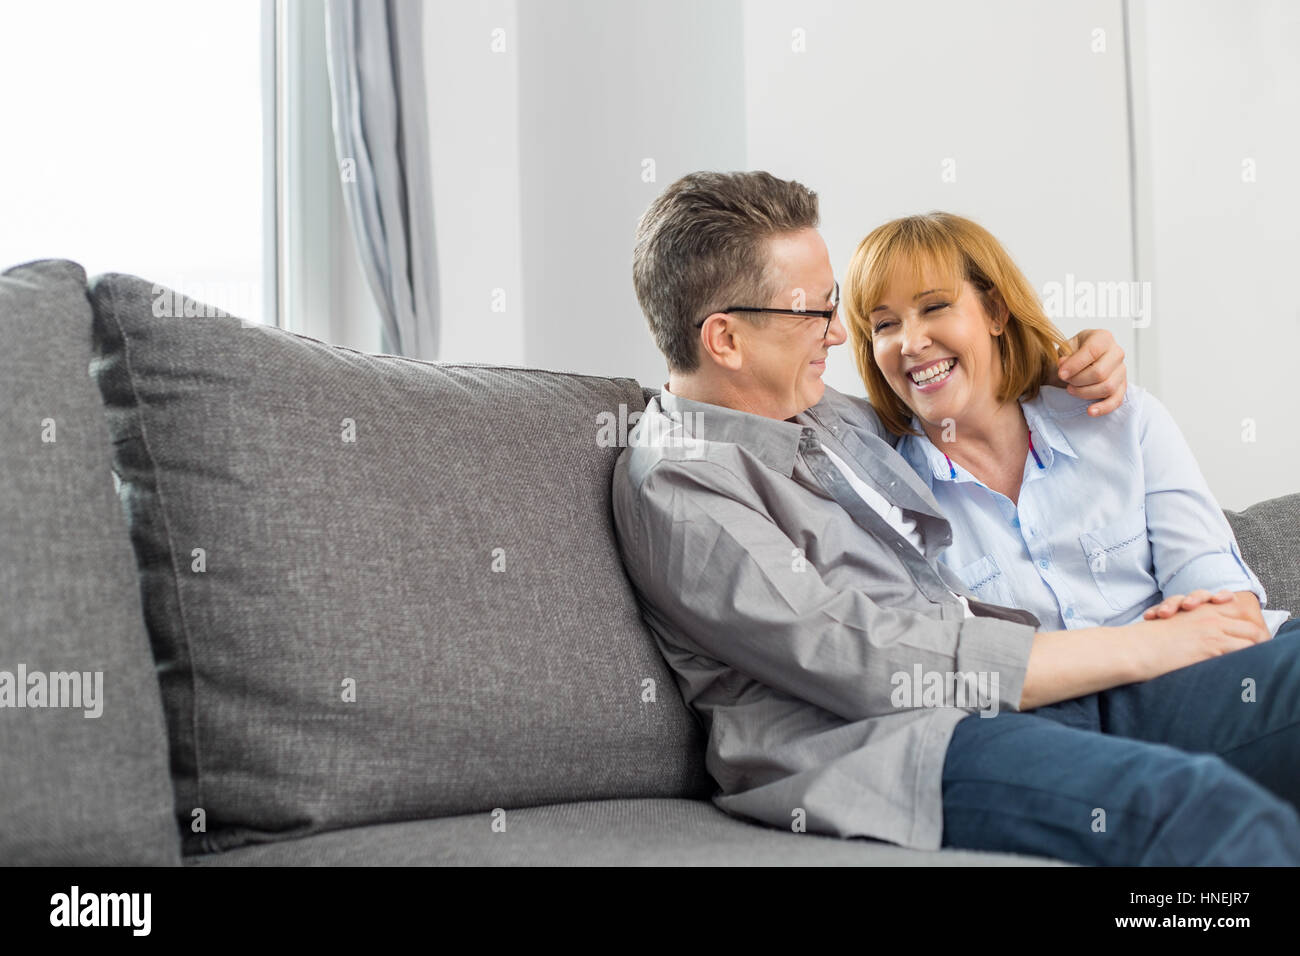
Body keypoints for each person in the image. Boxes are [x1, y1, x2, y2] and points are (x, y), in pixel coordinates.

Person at [612, 169, 1300, 865]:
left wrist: (1065, 364)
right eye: (816, 315)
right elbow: (862, 656)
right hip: (900, 743)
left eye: (837, 309)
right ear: (725, 341)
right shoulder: (680, 479)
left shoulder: (816, 412)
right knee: (1200, 812)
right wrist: (1151, 647)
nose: (839, 338)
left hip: (1027, 694)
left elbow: (961, 395)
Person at [843, 211, 1292, 641]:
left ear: (996, 312)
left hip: (1211, 667)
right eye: (885, 324)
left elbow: (1220, 594)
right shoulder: (893, 498)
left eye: (935, 306)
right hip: (1075, 708)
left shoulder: (1122, 420)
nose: (911, 342)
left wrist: (1204, 632)